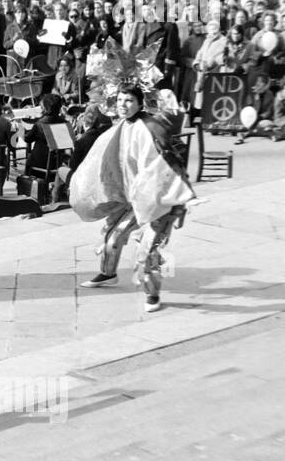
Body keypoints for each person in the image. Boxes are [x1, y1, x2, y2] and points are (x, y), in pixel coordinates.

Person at [70, 84, 195, 314]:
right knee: (112, 236)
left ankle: (152, 294)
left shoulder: (151, 127)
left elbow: (170, 155)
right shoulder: (121, 126)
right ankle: (108, 273)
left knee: (148, 250)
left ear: (139, 103)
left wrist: (181, 195)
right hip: (134, 197)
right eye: (120, 100)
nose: (122, 105)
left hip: (160, 199)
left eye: (128, 101)